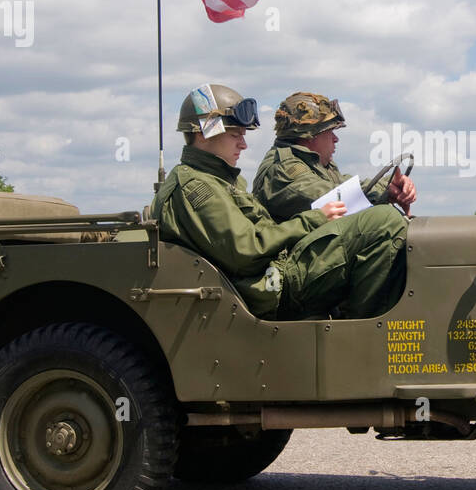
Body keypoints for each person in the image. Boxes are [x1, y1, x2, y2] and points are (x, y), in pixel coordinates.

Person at [151, 82, 407, 320]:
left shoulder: (215, 180)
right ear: (204, 134)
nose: (244, 145)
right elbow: (247, 251)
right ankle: (365, 337)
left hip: (275, 275)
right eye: (235, 135)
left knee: (382, 220)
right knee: (383, 222)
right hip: (275, 286)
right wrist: (315, 219)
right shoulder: (197, 187)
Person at [252, 91, 416, 221]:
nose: (335, 139)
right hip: (297, 259)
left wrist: (389, 187)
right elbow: (331, 196)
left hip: (318, 253)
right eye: (330, 131)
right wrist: (383, 191)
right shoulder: (284, 168)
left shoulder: (315, 162)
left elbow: (343, 184)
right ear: (309, 136)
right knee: (386, 220)